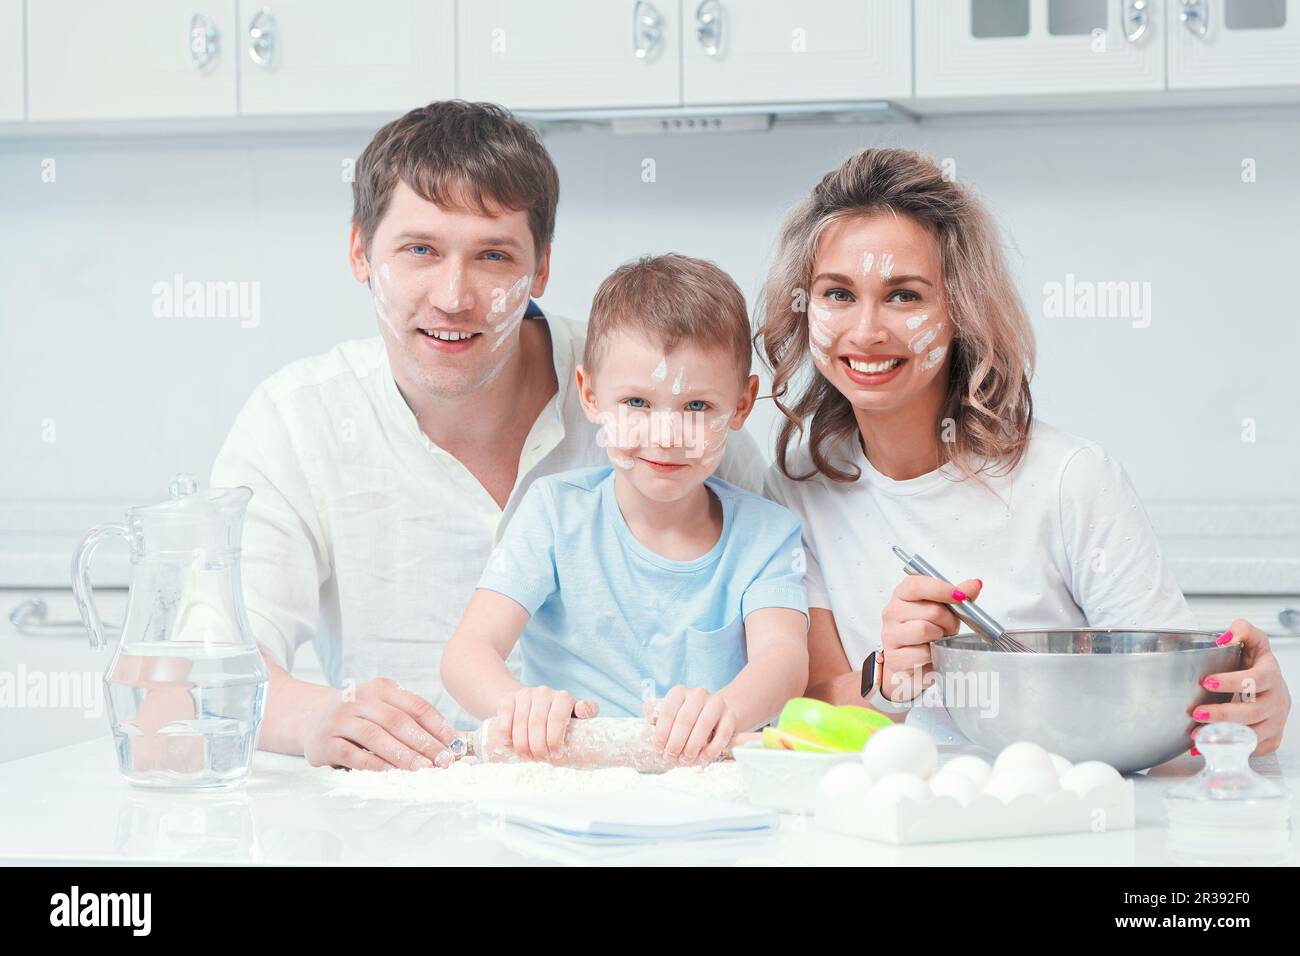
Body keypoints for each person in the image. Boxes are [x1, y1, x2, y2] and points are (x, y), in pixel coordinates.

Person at [211, 102, 766, 772]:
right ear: (360, 251)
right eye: (419, 250)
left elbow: (785, 636)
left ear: (540, 270)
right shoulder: (297, 421)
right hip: (403, 826)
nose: (453, 295)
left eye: (493, 256)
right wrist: (315, 719)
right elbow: (201, 672)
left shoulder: (663, 407)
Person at [759, 147, 1290, 755]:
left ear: (960, 310)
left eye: (905, 295)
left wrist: (1250, 712)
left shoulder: (1071, 481)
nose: (867, 330)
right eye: (837, 294)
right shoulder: (796, 490)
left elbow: (1179, 708)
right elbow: (816, 704)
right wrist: (889, 679)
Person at [441, 255, 809, 765]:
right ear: (590, 394)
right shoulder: (554, 514)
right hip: (571, 785)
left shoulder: (768, 534)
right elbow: (466, 655)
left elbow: (784, 659)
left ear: (743, 404)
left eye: (697, 407)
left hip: (707, 793)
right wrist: (520, 708)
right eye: (637, 402)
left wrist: (723, 711)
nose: (665, 435)